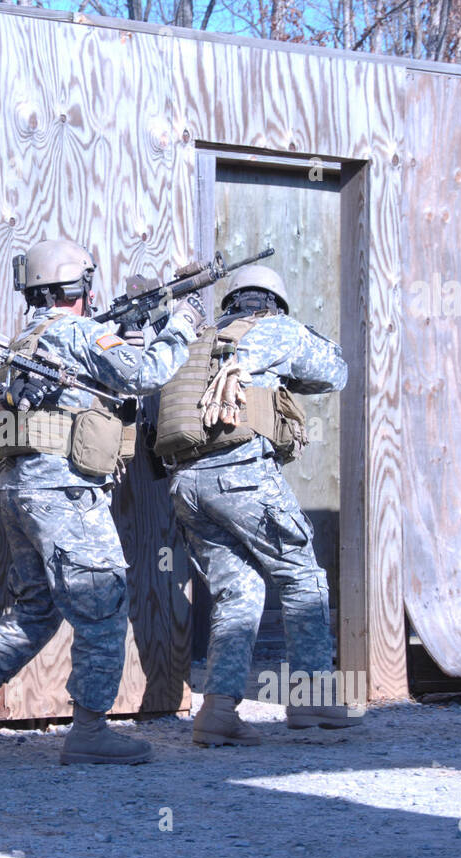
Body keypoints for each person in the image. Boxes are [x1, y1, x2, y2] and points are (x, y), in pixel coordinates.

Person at [0, 239, 198, 765]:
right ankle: (90, 731)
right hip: (65, 491)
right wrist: (182, 323)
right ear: (78, 286)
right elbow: (142, 374)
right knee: (103, 604)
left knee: (36, 608)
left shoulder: (26, 339)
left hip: (20, 490)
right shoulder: (77, 332)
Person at [156, 263, 361, 745]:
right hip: (242, 476)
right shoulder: (275, 329)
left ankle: (219, 712)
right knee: (302, 577)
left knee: (239, 593)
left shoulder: (198, 340)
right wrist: (292, 337)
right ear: (274, 303)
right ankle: (313, 698)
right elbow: (335, 373)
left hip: (188, 485)